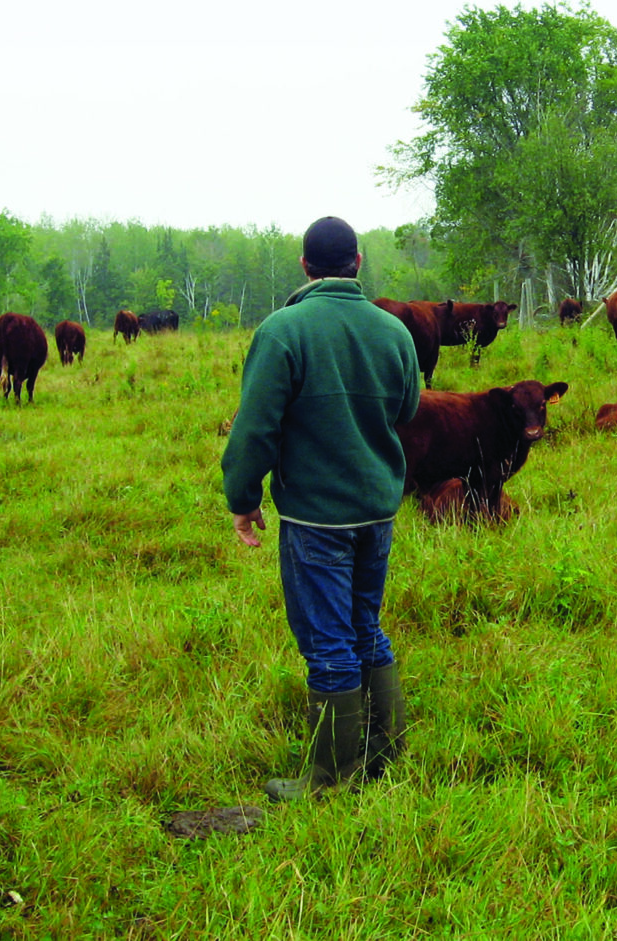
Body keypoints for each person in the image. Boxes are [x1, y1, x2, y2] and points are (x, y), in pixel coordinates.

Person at [221, 216, 421, 801]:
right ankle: (384, 755)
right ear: (357, 261)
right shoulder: (395, 332)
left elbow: (255, 428)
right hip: (377, 509)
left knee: (327, 640)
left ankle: (330, 778)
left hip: (316, 519)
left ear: (305, 267)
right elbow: (406, 409)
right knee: (366, 626)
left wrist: (244, 499)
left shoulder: (284, 331)